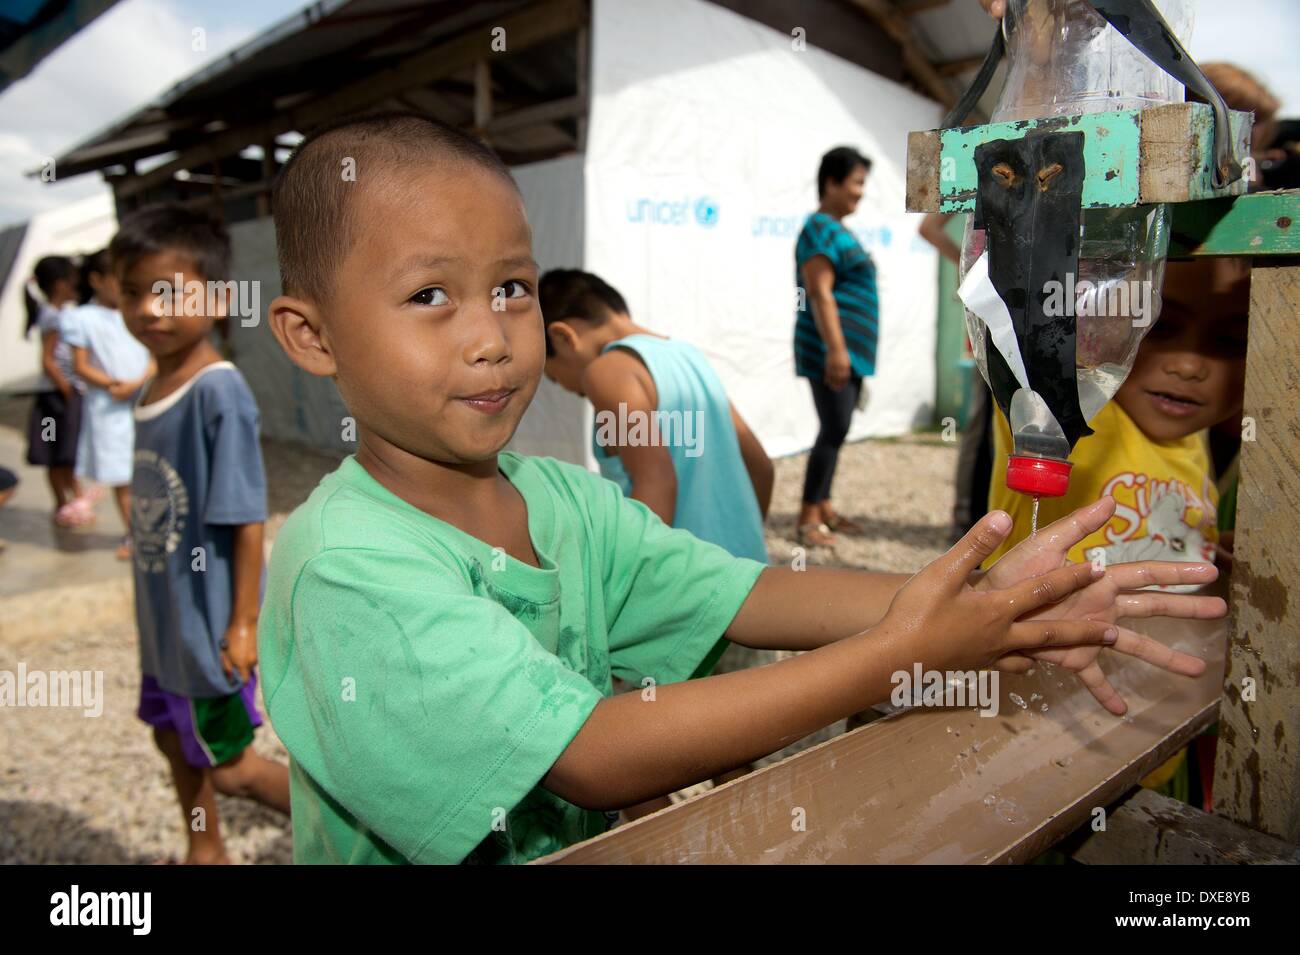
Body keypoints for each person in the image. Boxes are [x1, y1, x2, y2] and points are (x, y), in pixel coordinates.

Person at [258, 112, 1223, 865]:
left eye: (512, 287)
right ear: (312, 336)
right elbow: (590, 754)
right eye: (431, 296)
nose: (489, 333)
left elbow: (747, 590)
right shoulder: (348, 565)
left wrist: (982, 597)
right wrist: (899, 653)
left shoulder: (563, 502)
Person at [112, 204, 289, 864]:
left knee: (234, 765)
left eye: (167, 291)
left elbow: (245, 517)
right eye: (132, 293)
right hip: (166, 629)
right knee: (168, 737)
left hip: (209, 629)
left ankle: (360, 828)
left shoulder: (220, 392)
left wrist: (243, 623)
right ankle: (203, 845)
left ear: (216, 299)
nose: (149, 310)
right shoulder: (152, 387)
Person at [537, 268, 771, 562]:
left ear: (562, 337)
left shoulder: (608, 370)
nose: (567, 388)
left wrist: (621, 586)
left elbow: (656, 483)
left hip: (686, 587)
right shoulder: (689, 356)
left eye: (554, 376)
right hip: (745, 572)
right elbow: (761, 467)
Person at [794, 146, 877, 548]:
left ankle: (824, 505)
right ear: (831, 182)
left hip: (850, 350)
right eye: (856, 183)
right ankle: (808, 516)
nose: (861, 192)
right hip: (830, 349)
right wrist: (837, 350)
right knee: (834, 426)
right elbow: (819, 292)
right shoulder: (819, 230)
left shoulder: (840, 230)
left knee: (839, 427)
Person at [63, 249, 154, 559]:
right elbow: (80, 364)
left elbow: (155, 356)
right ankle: (135, 534)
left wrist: (139, 381)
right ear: (97, 280)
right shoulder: (81, 319)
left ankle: (154, 529)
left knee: (151, 468)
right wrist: (112, 385)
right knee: (122, 475)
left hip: (144, 399)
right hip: (109, 407)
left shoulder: (142, 310)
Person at [24, 256, 86, 524]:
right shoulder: (52, 316)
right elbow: (48, 359)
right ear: (61, 284)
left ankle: (66, 501)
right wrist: (67, 390)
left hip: (56, 396)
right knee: (59, 449)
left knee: (58, 450)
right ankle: (72, 500)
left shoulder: (56, 313)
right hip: (56, 398)